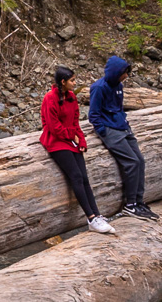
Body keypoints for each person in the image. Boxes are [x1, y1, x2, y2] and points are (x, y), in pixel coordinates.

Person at [39, 65, 115, 234]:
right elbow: (53, 126)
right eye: (72, 80)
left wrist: (80, 139)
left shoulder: (71, 97)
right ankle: (91, 217)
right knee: (75, 176)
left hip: (70, 140)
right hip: (56, 141)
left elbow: (75, 121)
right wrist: (70, 136)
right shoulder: (50, 98)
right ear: (63, 82)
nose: (75, 83)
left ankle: (97, 216)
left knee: (84, 178)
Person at [88, 55, 156, 219]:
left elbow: (118, 108)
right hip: (110, 129)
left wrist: (125, 123)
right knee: (131, 162)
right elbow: (93, 114)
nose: (126, 76)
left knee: (140, 160)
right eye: (123, 73)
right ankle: (130, 205)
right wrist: (102, 131)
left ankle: (139, 201)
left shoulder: (118, 86)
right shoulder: (99, 88)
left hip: (123, 126)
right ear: (115, 73)